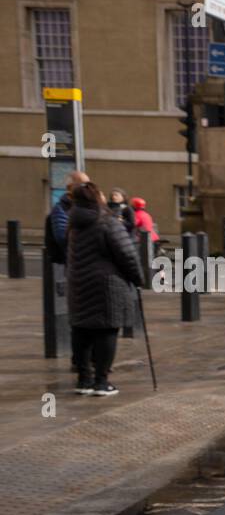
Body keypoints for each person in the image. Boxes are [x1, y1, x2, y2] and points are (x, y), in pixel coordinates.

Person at [65, 181, 144, 397]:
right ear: (97, 198)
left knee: (81, 330)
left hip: (79, 282)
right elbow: (126, 254)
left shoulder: (73, 223)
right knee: (107, 330)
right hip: (107, 285)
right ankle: (101, 381)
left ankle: (84, 379)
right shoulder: (107, 222)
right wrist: (138, 278)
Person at [44, 170, 90, 265]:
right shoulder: (61, 209)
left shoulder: (87, 205)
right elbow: (63, 238)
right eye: (84, 185)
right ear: (71, 187)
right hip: (76, 262)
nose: (88, 188)